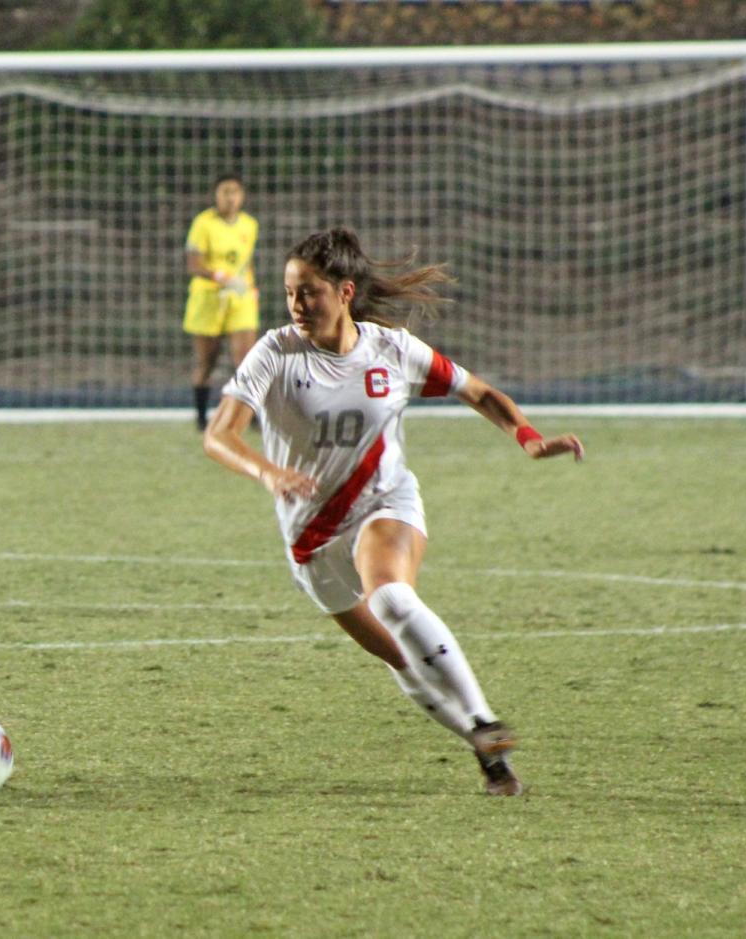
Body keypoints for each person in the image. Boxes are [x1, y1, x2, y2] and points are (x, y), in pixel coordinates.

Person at [203, 227, 584, 795]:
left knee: (392, 596)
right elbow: (219, 435)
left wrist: (527, 436)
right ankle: (485, 753)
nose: (297, 305)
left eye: (309, 292)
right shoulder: (277, 353)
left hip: (384, 503)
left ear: (345, 292)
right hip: (311, 539)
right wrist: (270, 471)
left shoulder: (391, 350)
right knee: (399, 658)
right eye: (289, 293)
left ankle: (483, 718)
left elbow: (475, 390)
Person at [183, 173, 259, 431]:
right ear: (216, 195)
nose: (230, 197)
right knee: (208, 362)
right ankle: (201, 417)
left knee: (247, 360)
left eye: (234, 192)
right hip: (208, 299)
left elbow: (246, 262)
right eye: (225, 192)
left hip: (240, 298)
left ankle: (251, 416)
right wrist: (219, 277)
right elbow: (193, 264)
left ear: (242, 196)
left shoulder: (249, 224)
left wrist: (252, 287)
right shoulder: (203, 224)